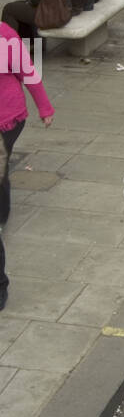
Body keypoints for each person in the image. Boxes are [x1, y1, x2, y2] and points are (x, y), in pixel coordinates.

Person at [0, 20, 55, 311]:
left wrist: (45, 108)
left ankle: (3, 212)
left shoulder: (6, 36)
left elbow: (28, 73)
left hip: (7, 119)